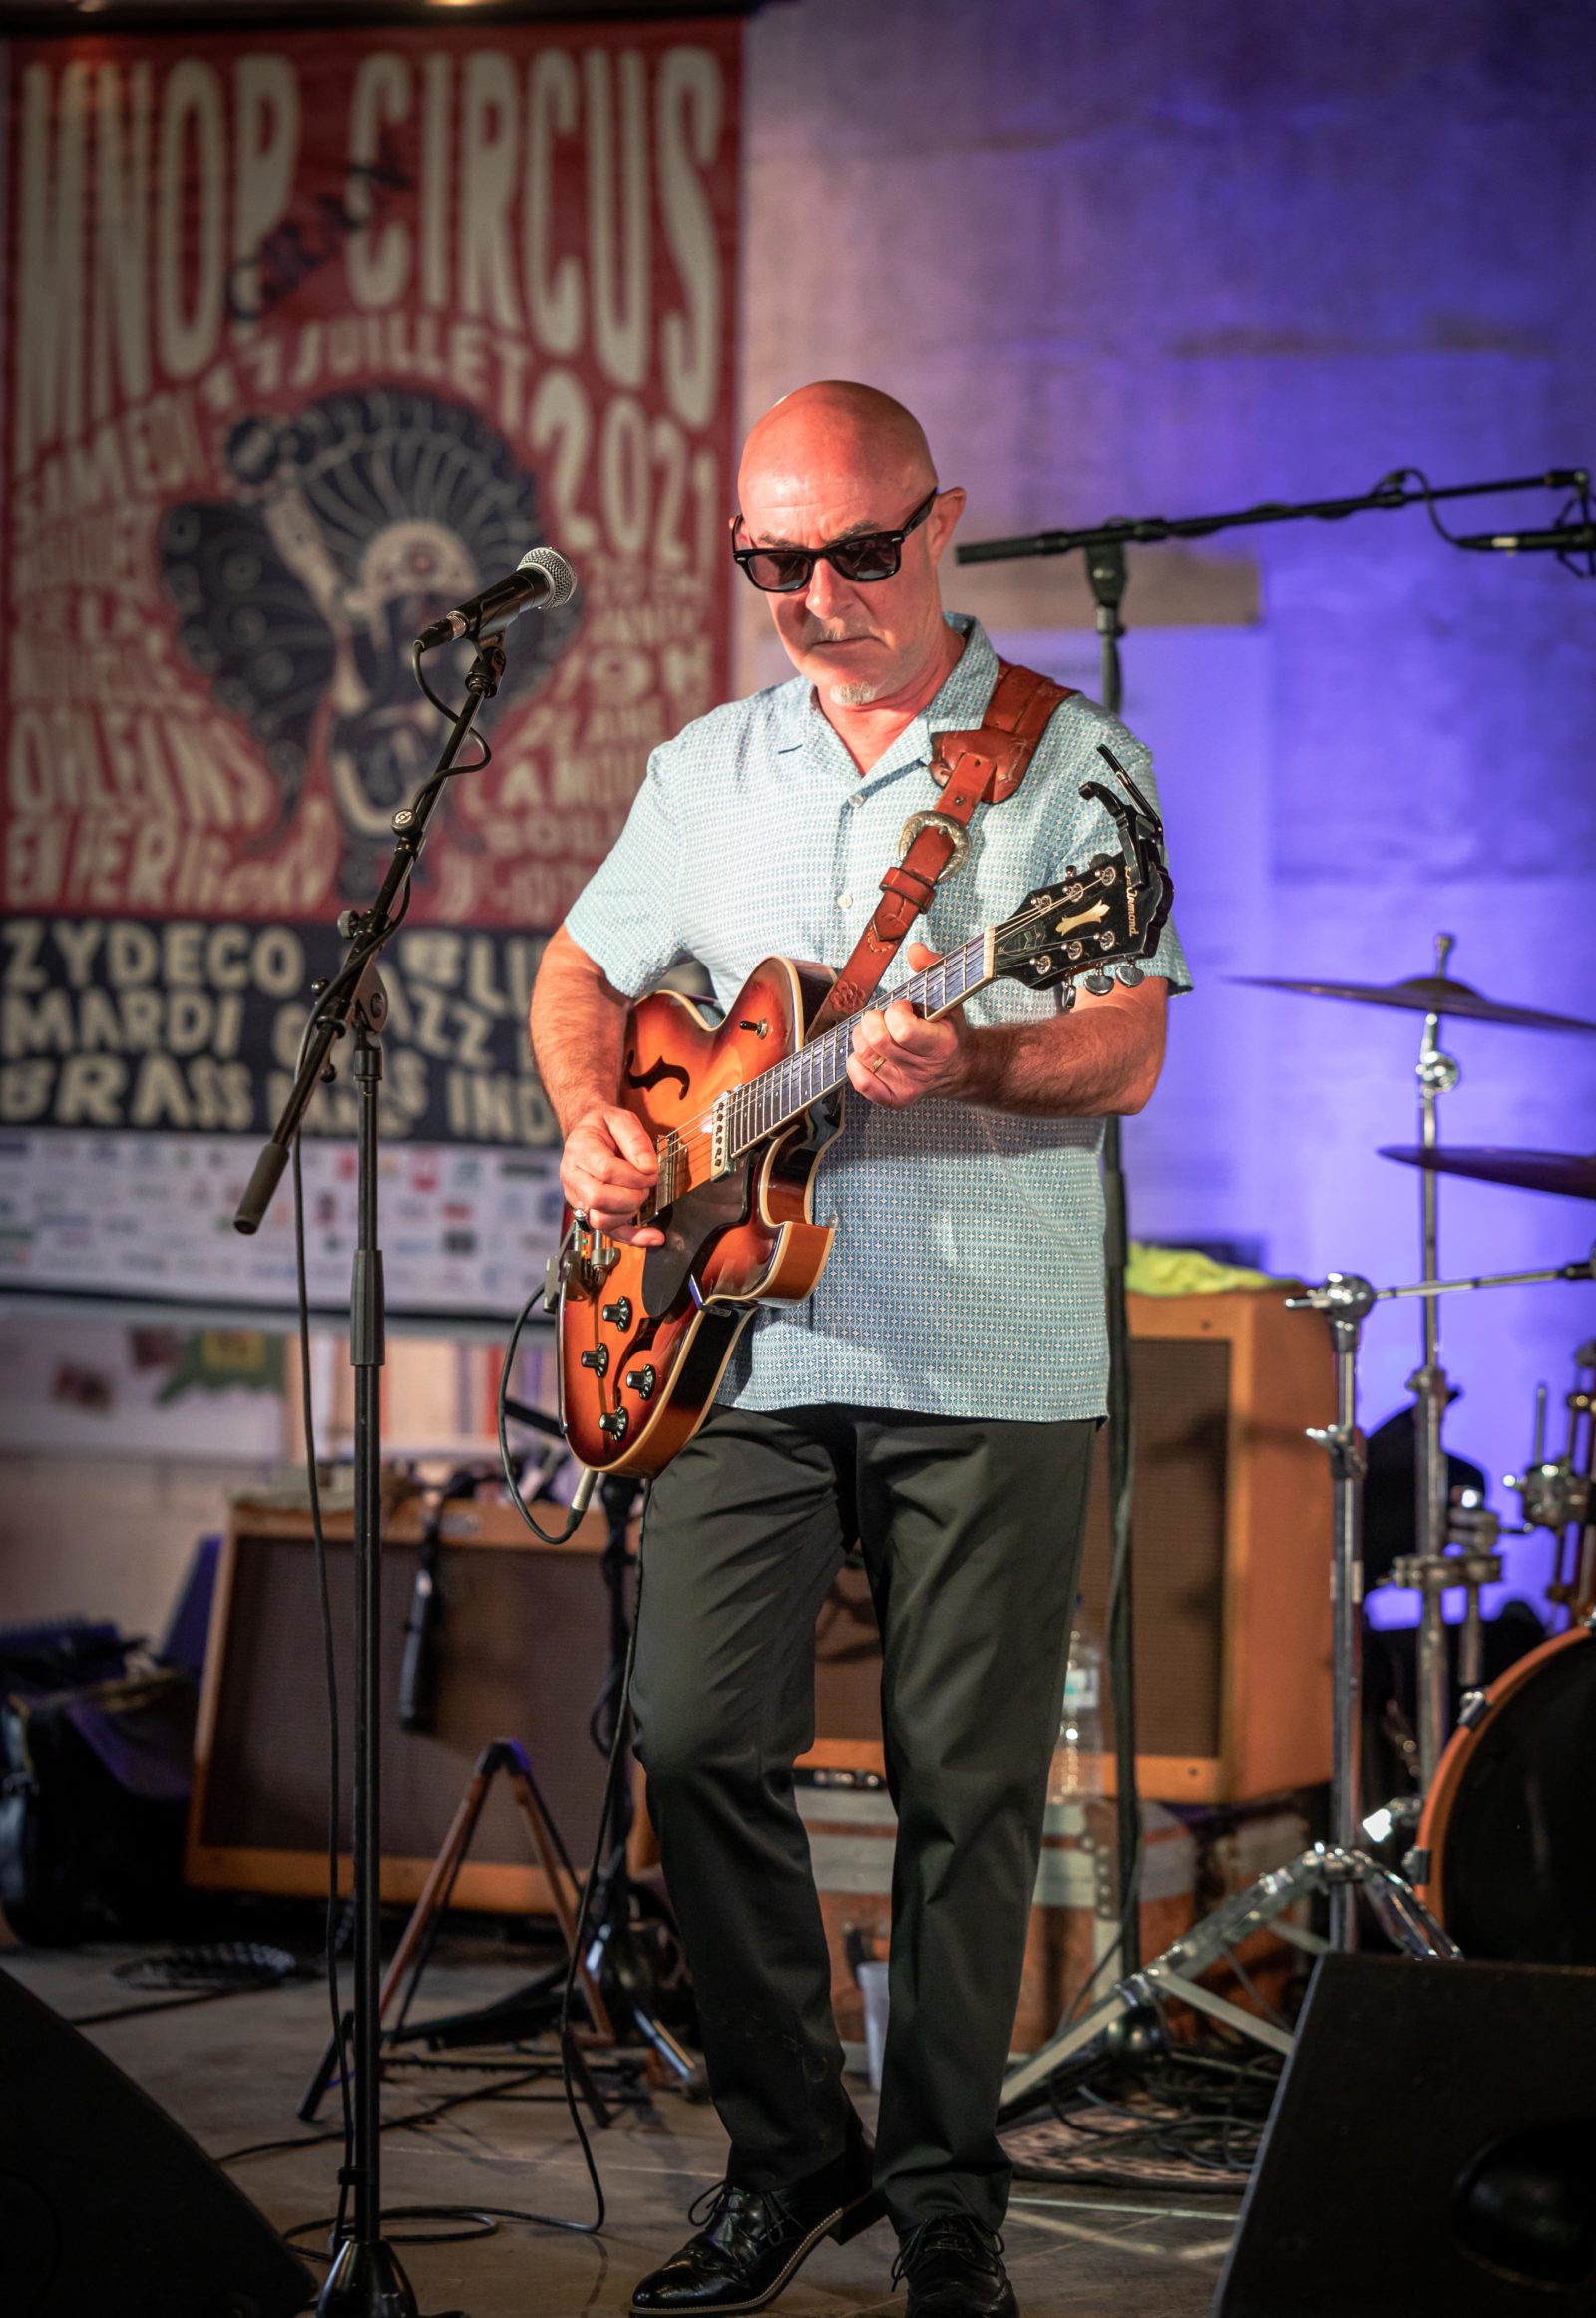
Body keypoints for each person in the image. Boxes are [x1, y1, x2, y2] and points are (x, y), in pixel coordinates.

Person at [530, 381, 1189, 2318]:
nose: (813, 593)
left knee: (961, 1791)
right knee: (693, 1738)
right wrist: (599, 1120)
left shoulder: (1069, 770)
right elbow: (585, 970)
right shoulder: (706, 764)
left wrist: (964, 1052)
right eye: (770, 562)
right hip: (737, 1345)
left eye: (853, 553)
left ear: (940, 522)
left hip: (985, 1347)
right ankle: (784, 2147)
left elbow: (1124, 1043)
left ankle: (941, 2187)